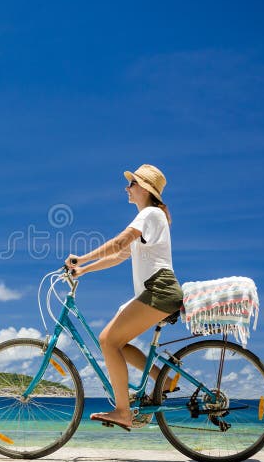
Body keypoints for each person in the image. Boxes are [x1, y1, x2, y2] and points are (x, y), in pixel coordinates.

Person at [66, 164, 183, 431]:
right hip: (154, 291)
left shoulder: (150, 214)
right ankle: (163, 381)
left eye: (131, 184)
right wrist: (83, 269)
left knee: (108, 341)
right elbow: (119, 255)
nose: (126, 188)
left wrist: (81, 257)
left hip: (159, 290)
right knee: (114, 342)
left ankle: (123, 411)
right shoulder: (152, 218)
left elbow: (119, 242)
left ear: (144, 188)